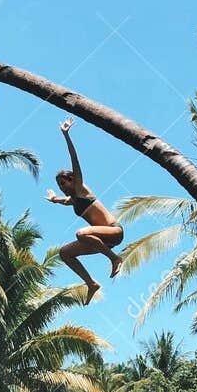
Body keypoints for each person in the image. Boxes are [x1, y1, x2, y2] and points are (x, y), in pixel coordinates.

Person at [45, 118, 124, 302]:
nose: (63, 187)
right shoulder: (73, 199)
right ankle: (91, 283)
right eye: (60, 185)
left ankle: (115, 259)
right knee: (64, 253)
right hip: (101, 241)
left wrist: (66, 135)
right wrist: (54, 199)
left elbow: (75, 160)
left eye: (64, 183)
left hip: (114, 232)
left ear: (72, 180)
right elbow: (64, 201)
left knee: (81, 233)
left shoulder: (80, 188)